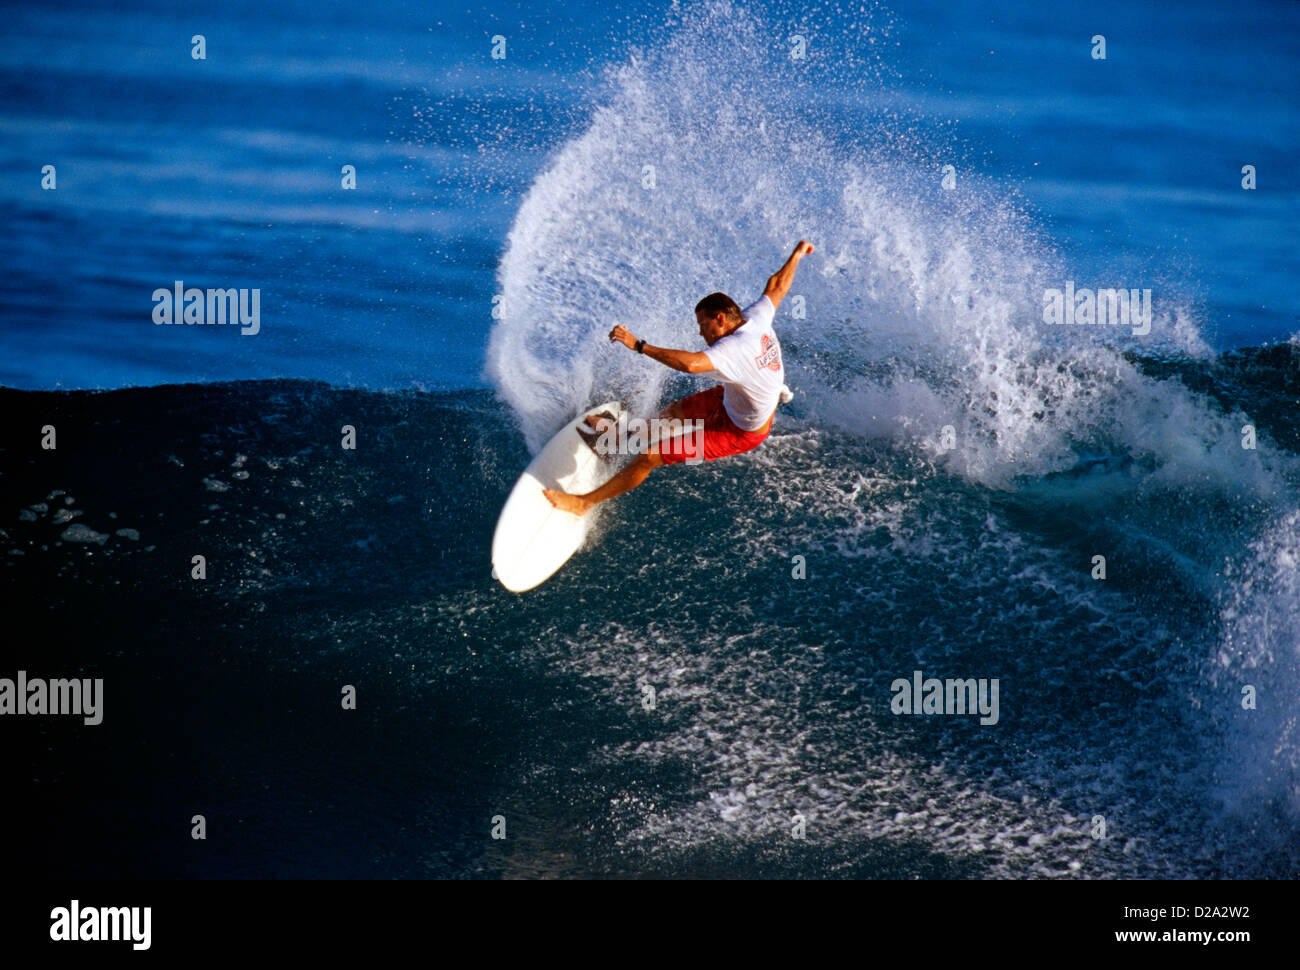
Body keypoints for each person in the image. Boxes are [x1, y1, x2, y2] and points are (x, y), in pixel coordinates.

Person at [543, 240, 814, 516]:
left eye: (703, 325)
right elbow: (777, 285)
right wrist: (797, 255)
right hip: (733, 398)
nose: (701, 333)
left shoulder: (735, 349)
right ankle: (617, 441)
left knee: (649, 457)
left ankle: (582, 503)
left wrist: (639, 345)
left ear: (721, 319)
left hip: (739, 431)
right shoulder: (756, 317)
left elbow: (691, 365)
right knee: (672, 413)